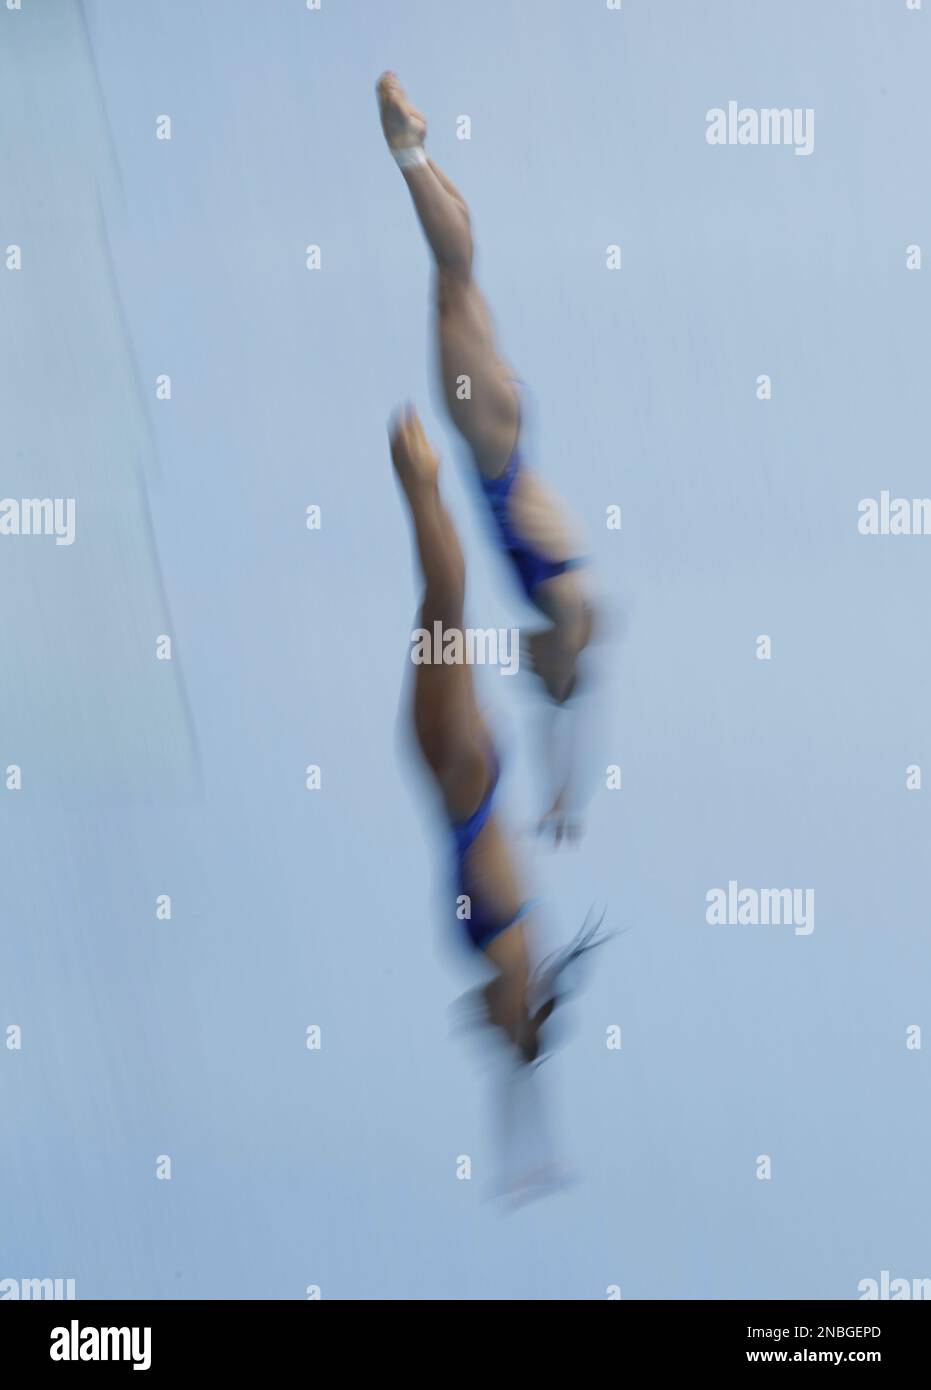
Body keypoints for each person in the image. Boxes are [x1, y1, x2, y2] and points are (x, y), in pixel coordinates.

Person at [378, 73, 600, 844]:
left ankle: (418, 151)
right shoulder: (568, 607)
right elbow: (575, 663)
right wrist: (566, 765)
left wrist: (563, 797)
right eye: (543, 674)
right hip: (494, 444)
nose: (528, 670)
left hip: (503, 427)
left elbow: (557, 712)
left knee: (457, 281)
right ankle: (407, 152)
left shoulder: (559, 604)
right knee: (451, 284)